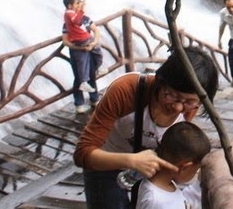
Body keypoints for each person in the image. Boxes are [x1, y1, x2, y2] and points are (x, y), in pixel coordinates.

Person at [75, 47, 219, 209]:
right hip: (104, 163)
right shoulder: (126, 90)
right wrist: (132, 161)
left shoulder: (189, 107)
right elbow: (82, 154)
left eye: (190, 101)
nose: (179, 108)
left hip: (148, 170)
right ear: (160, 81)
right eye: (171, 96)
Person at [136, 122, 211, 209]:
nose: (196, 173)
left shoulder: (168, 185)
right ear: (185, 167)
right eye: (196, 170)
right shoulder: (156, 200)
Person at [62, 0, 104, 114]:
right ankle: (79, 104)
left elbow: (96, 31)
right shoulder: (68, 21)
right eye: (77, 4)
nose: (79, 6)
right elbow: (65, 41)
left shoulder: (85, 19)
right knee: (79, 77)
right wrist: (79, 47)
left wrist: (92, 44)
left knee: (91, 74)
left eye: (79, 4)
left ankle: (94, 99)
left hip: (89, 48)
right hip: (78, 51)